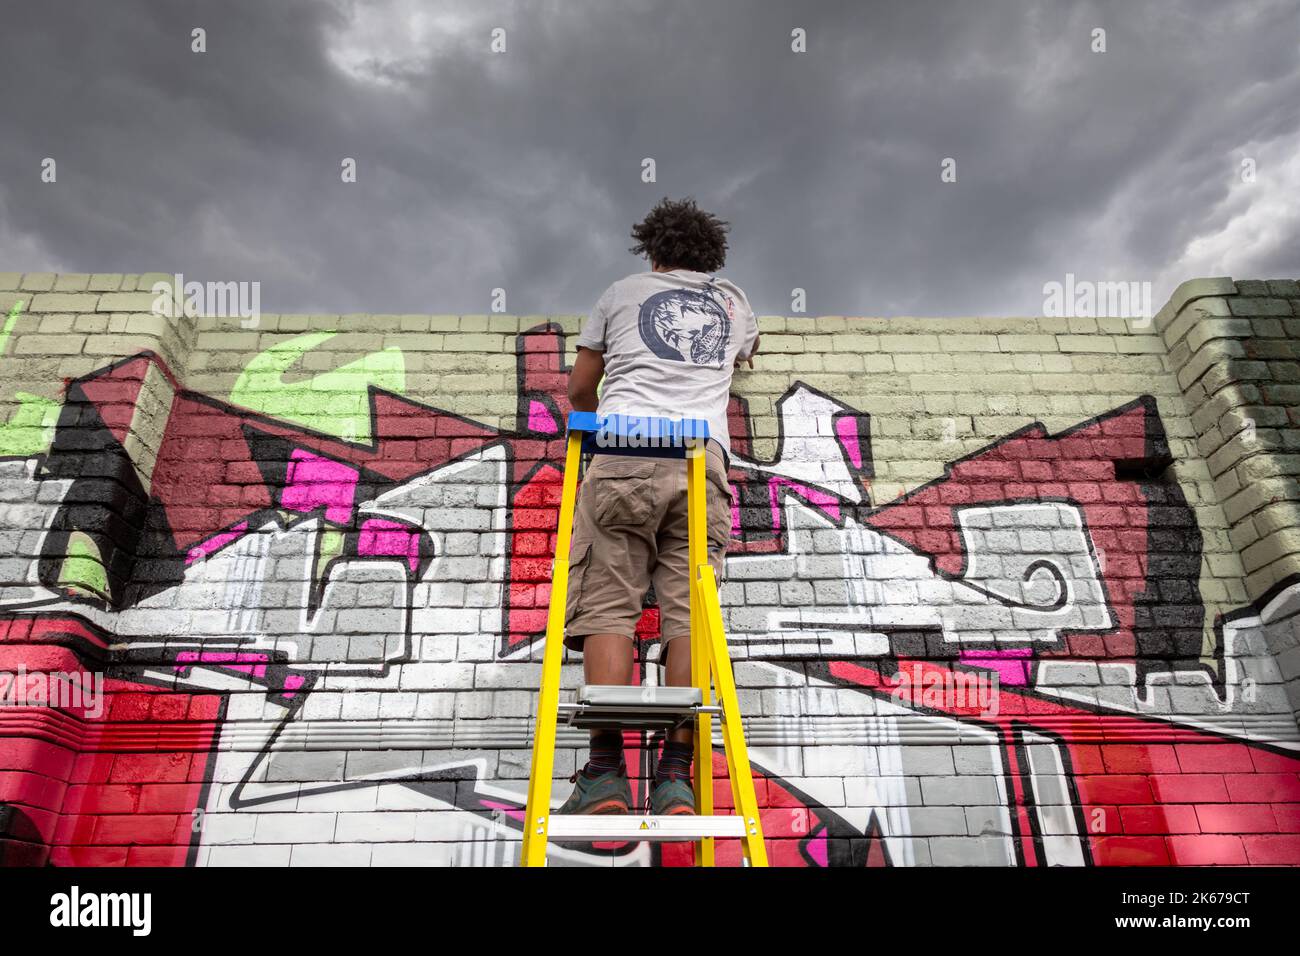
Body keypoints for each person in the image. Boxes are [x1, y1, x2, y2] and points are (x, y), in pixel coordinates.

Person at [558, 196, 760, 816]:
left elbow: (579, 388)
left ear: (652, 250)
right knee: (689, 612)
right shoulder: (734, 304)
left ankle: (606, 773)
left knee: (610, 605)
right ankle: (676, 775)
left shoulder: (621, 292)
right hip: (703, 464)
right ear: (712, 256)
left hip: (625, 454)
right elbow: (748, 358)